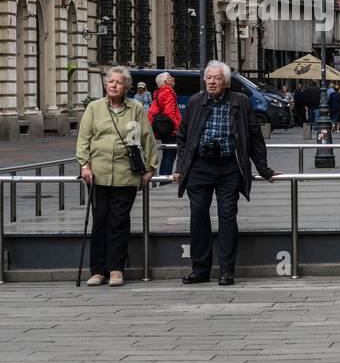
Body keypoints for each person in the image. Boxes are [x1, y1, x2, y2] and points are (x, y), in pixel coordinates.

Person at [174, 61, 277, 286]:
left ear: (226, 81)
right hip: (200, 167)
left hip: (229, 167)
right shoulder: (195, 102)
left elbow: (254, 138)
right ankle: (200, 269)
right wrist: (180, 168)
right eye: (209, 78)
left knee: (227, 217)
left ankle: (226, 271)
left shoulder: (240, 102)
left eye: (217, 78)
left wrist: (263, 169)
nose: (212, 82)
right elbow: (183, 138)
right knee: (198, 217)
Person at [76, 66, 157, 287]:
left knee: (119, 222)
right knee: (100, 221)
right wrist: (84, 164)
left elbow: (147, 137)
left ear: (126, 87)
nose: (113, 85)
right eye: (110, 82)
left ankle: (116, 270)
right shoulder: (94, 108)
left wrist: (150, 167)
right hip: (98, 175)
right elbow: (84, 138)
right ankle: (97, 271)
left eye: (118, 82)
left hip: (125, 175)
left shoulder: (136, 109)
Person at [148, 72, 182, 177]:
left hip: (164, 129)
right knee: (170, 155)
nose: (174, 78)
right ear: (166, 82)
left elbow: (152, 112)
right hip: (171, 130)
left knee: (166, 154)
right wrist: (178, 128)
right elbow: (170, 113)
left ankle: (163, 177)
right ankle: (165, 178)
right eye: (171, 77)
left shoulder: (159, 93)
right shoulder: (168, 93)